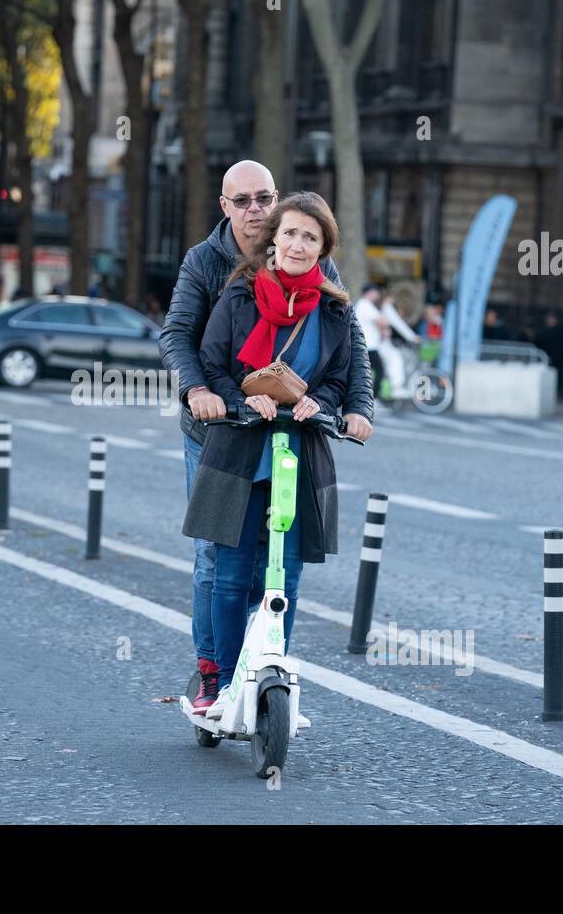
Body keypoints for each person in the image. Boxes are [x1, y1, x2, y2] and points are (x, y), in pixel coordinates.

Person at [160, 163, 373, 714]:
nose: (255, 209)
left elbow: (350, 349)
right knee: (217, 555)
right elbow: (181, 337)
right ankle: (214, 672)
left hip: (290, 437)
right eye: (244, 200)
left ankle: (259, 657)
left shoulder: (319, 270)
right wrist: (200, 392)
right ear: (226, 206)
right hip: (218, 427)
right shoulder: (209, 265)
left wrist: (353, 407)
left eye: (265, 198)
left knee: (276, 563)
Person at [352, 283, 388, 400]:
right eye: (376, 292)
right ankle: (373, 399)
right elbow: (381, 321)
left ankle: (366, 399)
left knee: (363, 373)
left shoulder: (362, 304)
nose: (377, 294)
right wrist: (384, 331)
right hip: (369, 346)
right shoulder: (365, 305)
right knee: (380, 371)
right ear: (371, 292)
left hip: (365, 345)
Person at [535, 311, 563, 396]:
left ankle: (557, 393)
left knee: (558, 378)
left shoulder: (561, 332)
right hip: (549, 359)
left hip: (557, 359)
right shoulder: (545, 332)